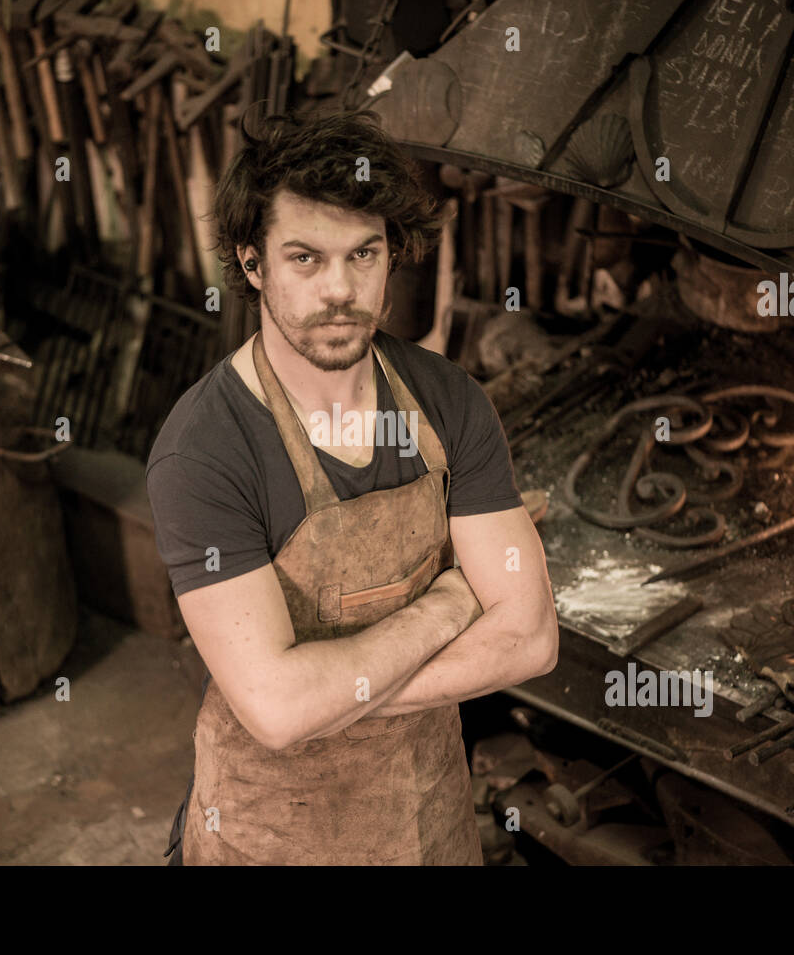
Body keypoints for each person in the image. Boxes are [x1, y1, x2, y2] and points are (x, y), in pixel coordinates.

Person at [147, 107, 557, 865]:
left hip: (430, 819)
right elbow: (274, 710)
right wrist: (454, 600)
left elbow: (530, 638)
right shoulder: (204, 451)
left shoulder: (448, 400)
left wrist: (331, 698)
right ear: (252, 264)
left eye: (363, 254)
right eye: (305, 258)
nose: (340, 290)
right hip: (271, 836)